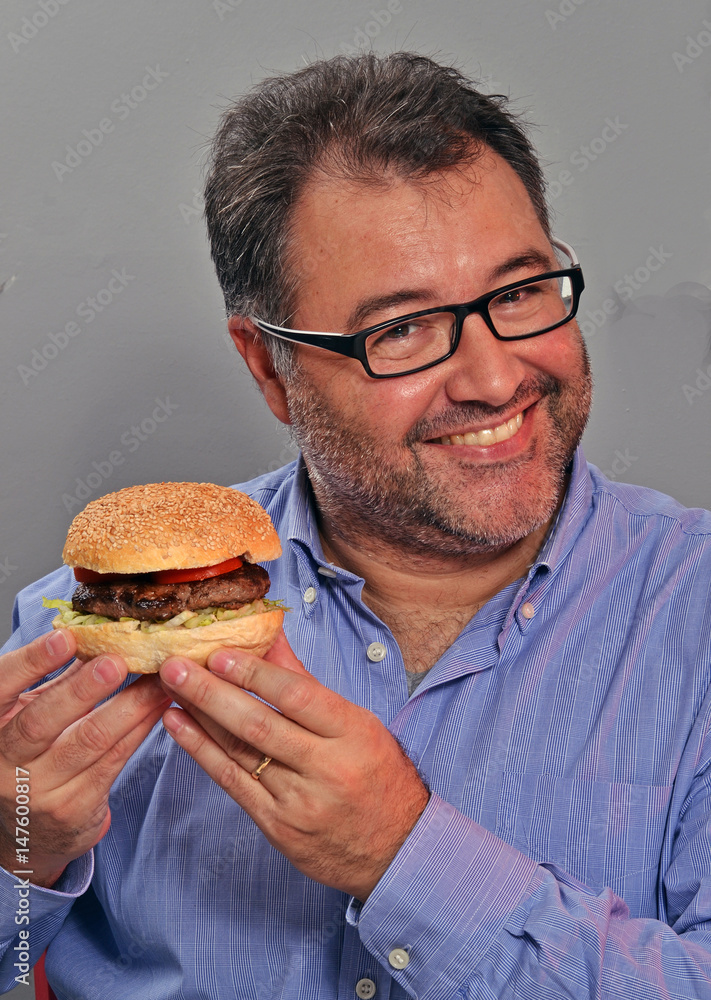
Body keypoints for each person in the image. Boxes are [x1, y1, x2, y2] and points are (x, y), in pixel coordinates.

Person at [1, 51, 711, 999]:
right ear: (266, 368)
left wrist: (404, 859)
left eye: (517, 292)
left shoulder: (692, 614)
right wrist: (19, 849)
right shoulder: (77, 644)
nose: (495, 379)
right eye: (401, 330)